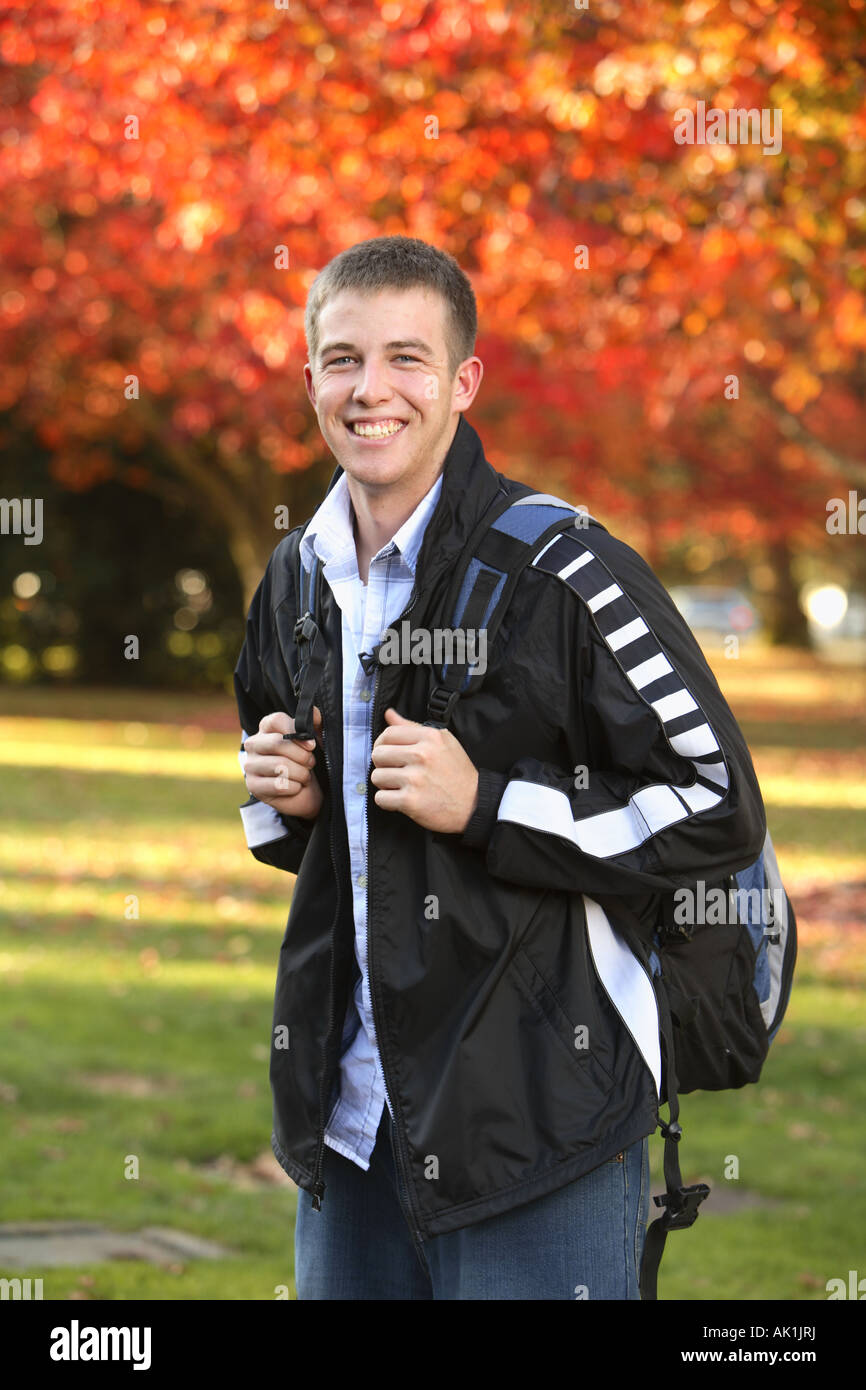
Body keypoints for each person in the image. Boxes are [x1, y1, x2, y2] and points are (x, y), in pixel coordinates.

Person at [233, 235, 766, 1300]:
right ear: (309, 381)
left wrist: (485, 803)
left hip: (539, 1125)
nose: (369, 389)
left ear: (462, 381)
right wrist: (288, 802)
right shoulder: (293, 580)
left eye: (405, 359)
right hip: (354, 1125)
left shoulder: (568, 570)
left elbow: (715, 806)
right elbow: (330, 843)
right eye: (341, 360)